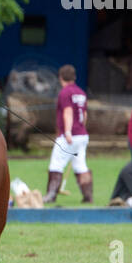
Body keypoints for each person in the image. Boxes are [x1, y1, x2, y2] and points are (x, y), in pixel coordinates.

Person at [45, 64, 92, 203]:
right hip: (82, 135)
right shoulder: (81, 92)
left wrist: (67, 132)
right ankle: (88, 197)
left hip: (69, 136)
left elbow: (68, 112)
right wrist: (80, 130)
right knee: (80, 166)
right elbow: (84, 114)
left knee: (56, 165)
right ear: (74, 77)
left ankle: (51, 196)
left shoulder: (65, 93)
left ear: (61, 78)